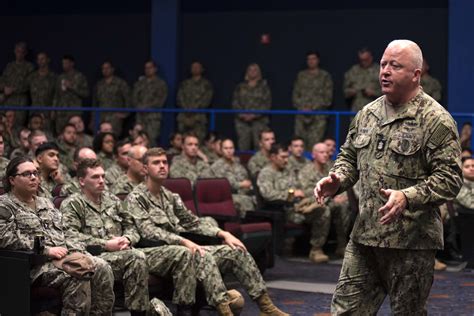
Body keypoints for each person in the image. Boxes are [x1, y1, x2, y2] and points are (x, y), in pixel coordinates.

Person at [314, 39, 463, 315]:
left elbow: (450, 179)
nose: (385, 71)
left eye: (395, 66)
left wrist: (407, 197)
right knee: (344, 311)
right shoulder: (366, 114)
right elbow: (348, 157)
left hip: (411, 244)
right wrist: (337, 178)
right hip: (365, 239)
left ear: (416, 74)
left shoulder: (435, 120)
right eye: (383, 64)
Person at [126, 147, 288, 316]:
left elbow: (193, 222)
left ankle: (266, 307)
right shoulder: (136, 197)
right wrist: (184, 241)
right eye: (156, 163)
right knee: (200, 254)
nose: (162, 166)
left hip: (181, 251)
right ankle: (224, 309)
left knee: (236, 251)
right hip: (152, 253)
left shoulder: (170, 196)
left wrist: (223, 234)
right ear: (145, 168)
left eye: (165, 162)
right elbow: (148, 232)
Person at [0, 156, 115, 314]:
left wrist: (81, 253)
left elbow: (66, 231)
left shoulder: (46, 203)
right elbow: (6, 238)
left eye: (35, 173)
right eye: (27, 174)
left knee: (102, 266)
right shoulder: (4, 205)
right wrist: (45, 250)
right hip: (31, 265)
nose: (34, 177)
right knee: (77, 275)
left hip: (62, 258)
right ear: (12, 180)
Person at [60, 158, 171, 315]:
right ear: (82, 181)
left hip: (119, 254)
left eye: (103, 176)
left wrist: (128, 238)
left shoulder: (114, 200)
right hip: (93, 256)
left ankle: (137, 312)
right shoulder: (72, 204)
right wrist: (105, 244)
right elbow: (70, 236)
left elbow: (131, 225)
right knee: (134, 257)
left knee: (137, 256)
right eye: (95, 177)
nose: (101, 181)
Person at [257, 143, 330, 262]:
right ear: (273, 157)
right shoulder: (266, 173)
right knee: (323, 211)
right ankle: (316, 249)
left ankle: (316, 249)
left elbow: (299, 189)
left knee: (322, 207)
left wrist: (307, 200)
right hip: (284, 210)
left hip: (298, 206)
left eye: (287, 156)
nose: (286, 160)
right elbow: (268, 195)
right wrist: (290, 194)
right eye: (283, 157)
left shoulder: (288, 170)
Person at [300, 143, 350, 258]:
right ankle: (316, 249)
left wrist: (339, 195)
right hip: (311, 205)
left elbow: (340, 184)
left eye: (327, 152)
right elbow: (307, 193)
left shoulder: (331, 169)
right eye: (321, 152)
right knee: (324, 209)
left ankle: (341, 245)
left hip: (328, 201)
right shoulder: (306, 171)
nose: (325, 155)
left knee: (343, 206)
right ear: (313, 154)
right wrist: (331, 197)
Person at [204, 138, 256, 217]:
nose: (229, 151)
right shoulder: (217, 166)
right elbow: (223, 185)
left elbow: (246, 178)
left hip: (244, 193)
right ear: (221, 150)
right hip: (227, 196)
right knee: (245, 201)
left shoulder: (237, 164)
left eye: (231, 148)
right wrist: (241, 185)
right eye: (226, 148)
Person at [292, 51, 333, 149]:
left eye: (313, 59)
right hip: (302, 115)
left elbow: (328, 98)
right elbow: (295, 95)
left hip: (318, 116)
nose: (311, 61)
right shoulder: (301, 75)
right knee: (299, 144)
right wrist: (302, 107)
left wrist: (313, 108)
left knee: (315, 145)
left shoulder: (324, 76)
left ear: (318, 60)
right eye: (309, 59)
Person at [232, 63, 272, 151]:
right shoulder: (240, 87)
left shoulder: (264, 87)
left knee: (260, 146)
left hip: (259, 121)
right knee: (243, 146)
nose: (253, 72)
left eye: (255, 70)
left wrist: (254, 115)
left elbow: (267, 104)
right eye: (250, 70)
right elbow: (235, 102)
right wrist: (243, 115)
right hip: (242, 121)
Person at [132, 60, 168, 145]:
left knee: (152, 139)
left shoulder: (160, 83)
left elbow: (160, 99)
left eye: (150, 67)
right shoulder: (140, 83)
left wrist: (147, 107)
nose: (148, 70)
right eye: (146, 68)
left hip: (153, 117)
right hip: (140, 116)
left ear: (155, 69)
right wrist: (139, 107)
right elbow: (134, 97)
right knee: (138, 138)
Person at [177, 61, 213, 141]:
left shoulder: (206, 84)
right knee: (183, 139)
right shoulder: (185, 84)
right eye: (193, 67)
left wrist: (194, 110)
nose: (195, 69)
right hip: (184, 116)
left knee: (198, 140)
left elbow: (206, 100)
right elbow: (180, 98)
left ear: (202, 69)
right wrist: (187, 109)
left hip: (199, 117)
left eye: (197, 67)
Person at [93, 61, 131, 137]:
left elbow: (128, 99)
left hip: (114, 117)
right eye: (103, 68)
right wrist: (93, 118)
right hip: (101, 116)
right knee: (99, 137)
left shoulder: (120, 83)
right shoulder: (99, 84)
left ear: (112, 69)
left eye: (107, 68)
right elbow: (94, 102)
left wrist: (126, 113)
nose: (105, 70)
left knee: (113, 137)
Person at [53, 55, 89, 134]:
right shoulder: (60, 77)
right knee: (60, 132)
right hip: (61, 112)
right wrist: (54, 109)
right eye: (63, 63)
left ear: (72, 64)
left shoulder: (80, 77)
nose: (64, 65)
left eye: (66, 63)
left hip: (74, 111)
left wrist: (72, 87)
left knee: (74, 133)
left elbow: (85, 93)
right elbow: (56, 95)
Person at [0, 42, 34, 125]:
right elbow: (2, 79)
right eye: (18, 51)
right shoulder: (9, 66)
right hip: (7, 99)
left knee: (18, 124)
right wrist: (4, 88)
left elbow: (28, 84)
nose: (19, 54)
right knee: (4, 123)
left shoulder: (29, 67)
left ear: (25, 53)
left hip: (20, 101)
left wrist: (14, 89)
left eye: (22, 52)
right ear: (15, 51)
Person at [343, 48, 381, 112]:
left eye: (366, 60)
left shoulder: (379, 71)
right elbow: (345, 90)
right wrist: (350, 92)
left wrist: (374, 93)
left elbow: (388, 92)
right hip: (357, 110)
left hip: (375, 110)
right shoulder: (353, 71)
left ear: (371, 58)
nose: (363, 62)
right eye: (361, 60)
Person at [27, 52, 57, 132]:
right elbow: (24, 90)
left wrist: (54, 109)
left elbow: (56, 95)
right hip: (34, 110)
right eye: (38, 59)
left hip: (47, 110)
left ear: (48, 60)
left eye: (42, 59)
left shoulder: (53, 77)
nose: (40, 61)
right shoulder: (32, 76)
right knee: (33, 132)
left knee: (47, 133)